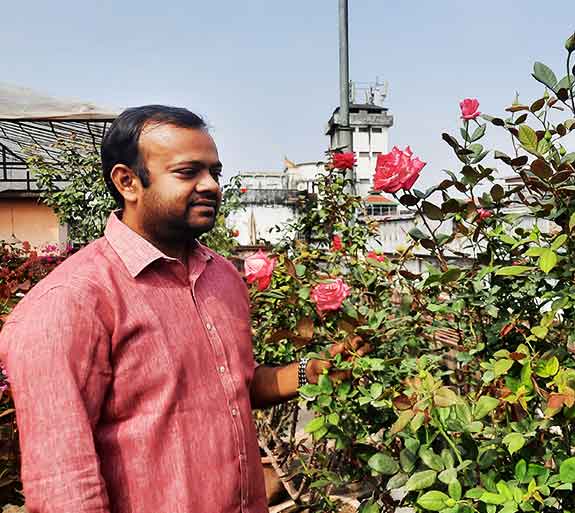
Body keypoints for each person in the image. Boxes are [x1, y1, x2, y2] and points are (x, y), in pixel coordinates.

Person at [0, 105, 365, 513]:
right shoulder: (70, 302)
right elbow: (63, 486)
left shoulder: (221, 277)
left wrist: (309, 372)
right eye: (188, 172)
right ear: (127, 182)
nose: (210, 185)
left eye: (214, 172)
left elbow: (234, 386)